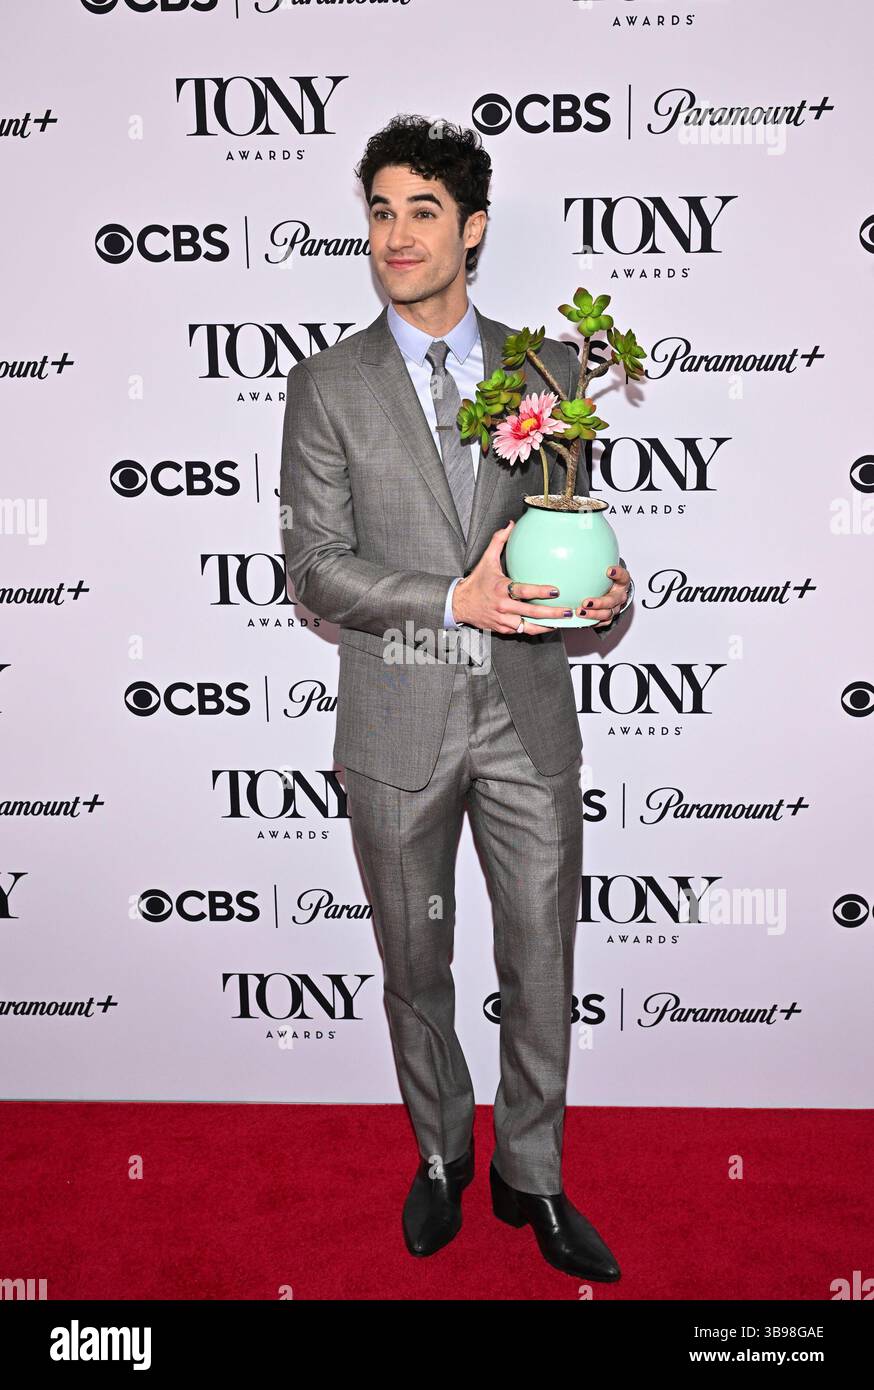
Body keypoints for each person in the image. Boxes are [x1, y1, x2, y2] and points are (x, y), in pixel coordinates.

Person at [280, 115, 632, 1281]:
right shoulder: (326, 384)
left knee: (541, 960)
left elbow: (568, 533)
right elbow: (313, 568)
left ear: (472, 229)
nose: (396, 234)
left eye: (422, 211)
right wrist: (450, 599)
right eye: (380, 210)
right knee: (415, 964)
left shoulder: (550, 371)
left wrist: (606, 591)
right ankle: (441, 1154)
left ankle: (533, 1173)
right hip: (397, 722)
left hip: (526, 716)